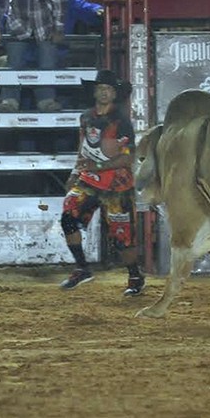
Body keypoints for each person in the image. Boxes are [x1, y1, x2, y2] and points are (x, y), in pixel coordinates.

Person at [59, 69, 146, 297]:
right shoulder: (87, 117)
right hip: (90, 180)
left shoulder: (121, 121)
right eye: (101, 89)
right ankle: (82, 267)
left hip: (117, 185)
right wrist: (75, 173)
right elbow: (83, 148)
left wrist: (96, 167)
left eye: (108, 89)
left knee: (122, 238)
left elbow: (127, 157)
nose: (104, 93)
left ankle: (134, 274)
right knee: (69, 215)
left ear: (115, 94)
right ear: (95, 92)